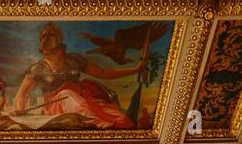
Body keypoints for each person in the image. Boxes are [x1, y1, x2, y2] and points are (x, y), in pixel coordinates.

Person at [12, 23, 146, 130]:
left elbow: (103, 73)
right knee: (68, 94)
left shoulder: (74, 59)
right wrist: (19, 109)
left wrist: (134, 70)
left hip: (84, 99)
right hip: (56, 106)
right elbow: (21, 94)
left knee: (122, 119)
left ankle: (102, 119)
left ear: (61, 48)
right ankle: (96, 122)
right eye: (47, 53)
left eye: (54, 51)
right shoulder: (37, 68)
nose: (51, 55)